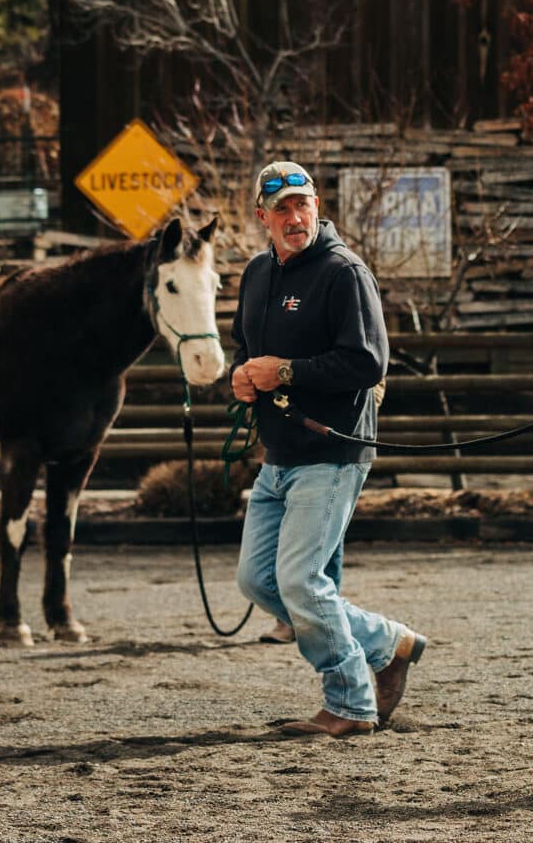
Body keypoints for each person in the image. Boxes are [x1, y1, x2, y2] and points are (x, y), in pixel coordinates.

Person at [230, 160, 425, 736]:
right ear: (261, 216)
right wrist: (242, 379)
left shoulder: (345, 272)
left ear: (317, 205)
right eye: (283, 208)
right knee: (259, 582)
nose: (295, 217)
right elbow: (247, 348)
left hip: (333, 451)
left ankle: (349, 703)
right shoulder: (256, 274)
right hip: (279, 453)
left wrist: (283, 372)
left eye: (303, 204)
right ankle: (388, 643)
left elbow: (368, 363)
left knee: (300, 582)